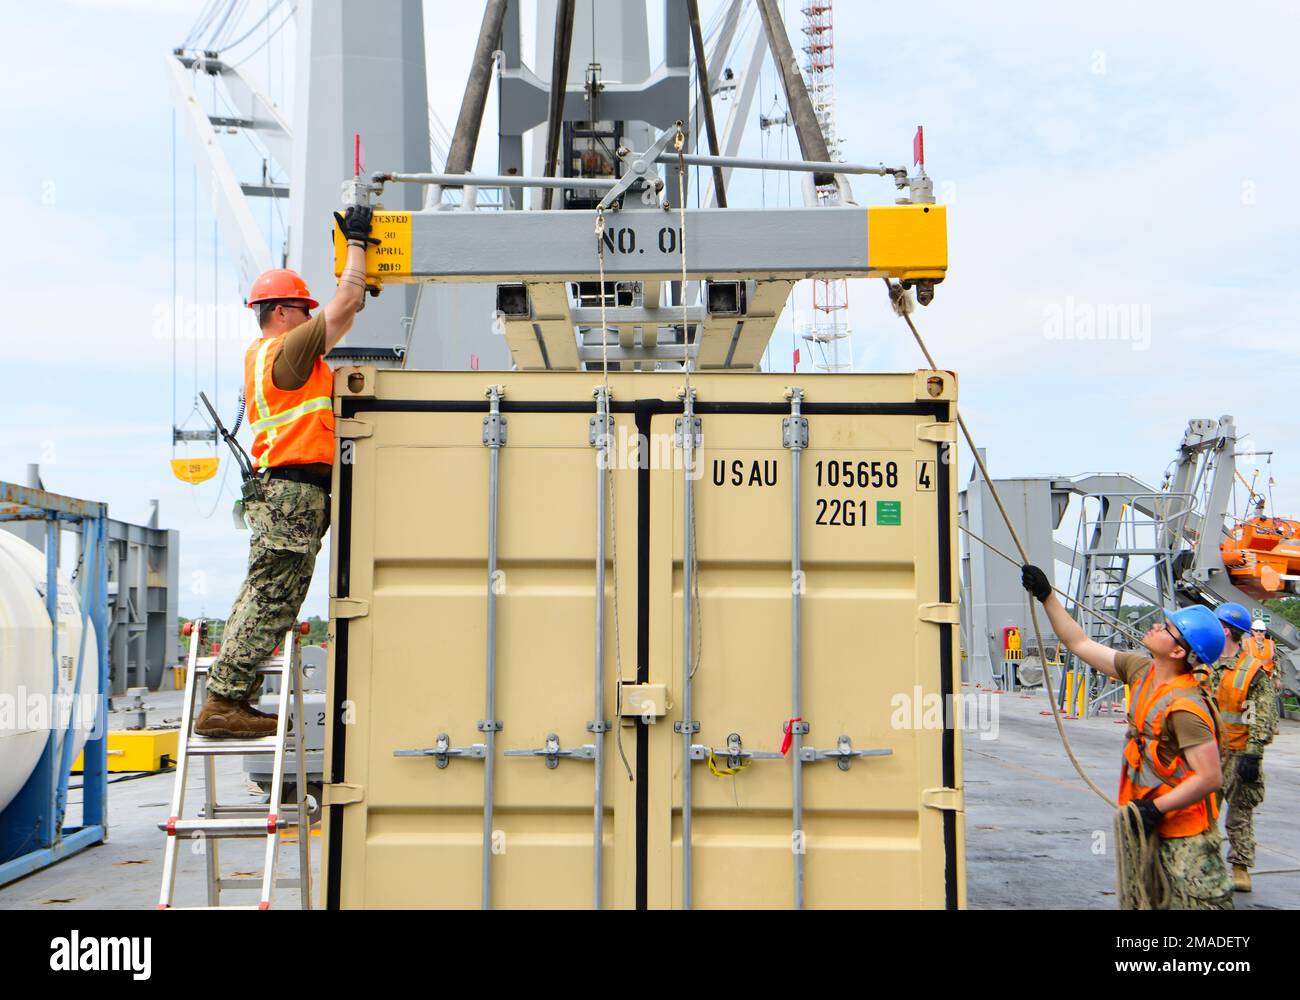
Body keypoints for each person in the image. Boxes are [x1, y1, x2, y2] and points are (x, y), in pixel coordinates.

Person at [194, 206, 377, 738]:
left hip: (285, 493)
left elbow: (343, 314)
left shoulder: (272, 355)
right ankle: (225, 699)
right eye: (302, 308)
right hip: (292, 493)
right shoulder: (286, 350)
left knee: (267, 591)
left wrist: (358, 286)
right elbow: (345, 304)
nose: (309, 316)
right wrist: (360, 245)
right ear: (279, 312)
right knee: (273, 594)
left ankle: (232, 696)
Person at [1020, 564, 1231, 910]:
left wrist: (1155, 809)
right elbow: (1079, 642)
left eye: (1167, 628)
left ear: (1178, 651)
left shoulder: (1186, 707)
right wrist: (1047, 597)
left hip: (1183, 835)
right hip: (1148, 821)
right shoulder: (1141, 671)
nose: (1156, 625)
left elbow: (1210, 777)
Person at [1212, 604, 1277, 893]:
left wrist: (1254, 752)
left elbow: (1263, 714)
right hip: (1205, 752)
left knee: (1239, 814)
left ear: (1225, 630)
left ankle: (1240, 867)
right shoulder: (1201, 662)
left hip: (1239, 753)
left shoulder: (1252, 671)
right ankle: (1205, 864)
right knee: (1200, 813)